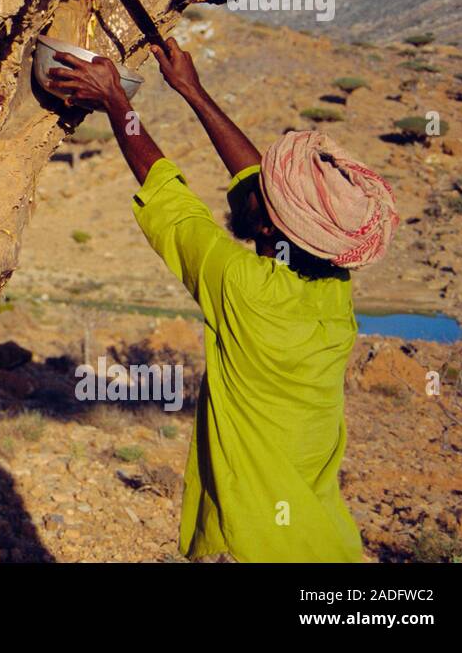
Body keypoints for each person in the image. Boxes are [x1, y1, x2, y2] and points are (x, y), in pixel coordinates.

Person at [45, 37, 398, 562]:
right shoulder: (332, 292)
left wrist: (118, 104)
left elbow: (172, 200)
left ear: (267, 222)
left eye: (263, 194)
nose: (249, 185)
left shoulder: (245, 290)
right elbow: (259, 185)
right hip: (324, 547)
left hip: (246, 544)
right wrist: (192, 90)